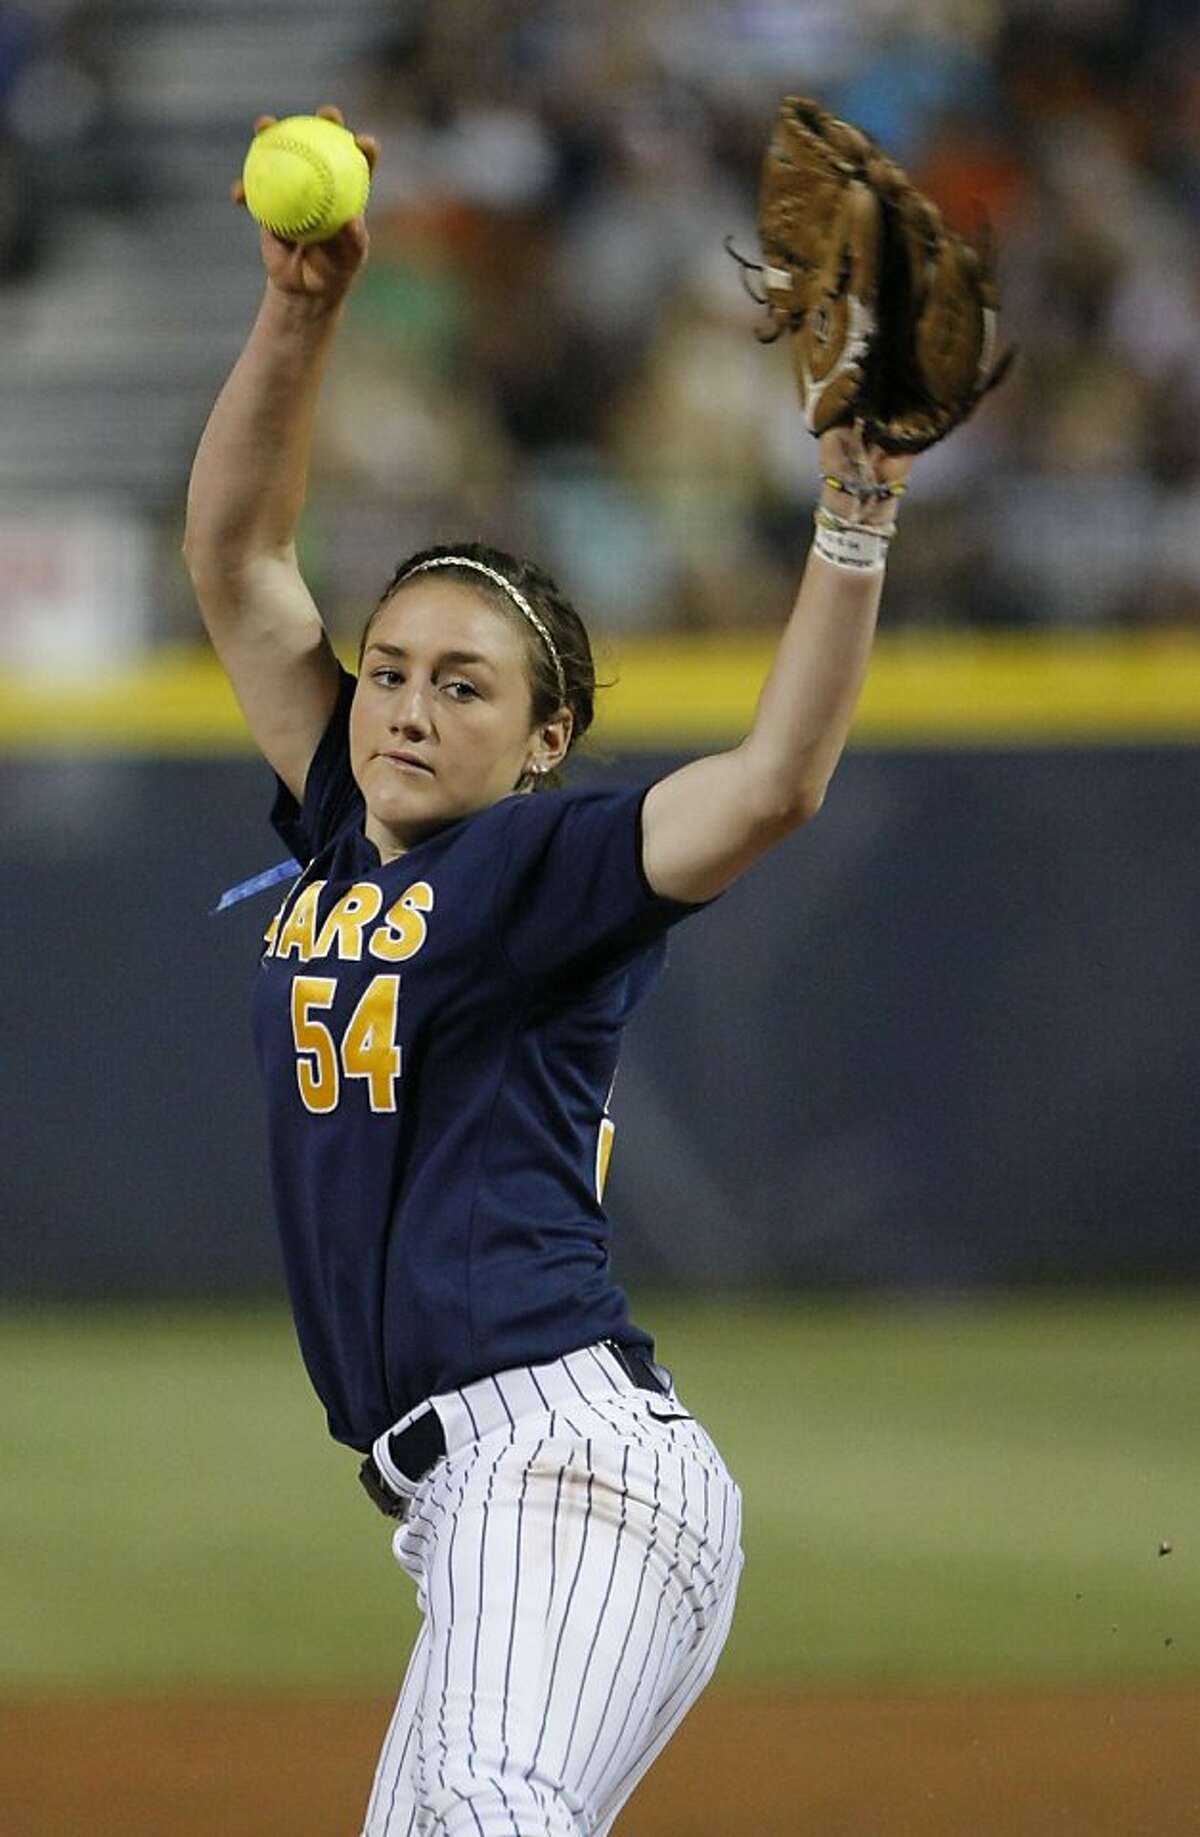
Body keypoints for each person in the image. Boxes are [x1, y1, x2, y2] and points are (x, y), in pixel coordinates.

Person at [184, 105, 911, 1837]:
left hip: (565, 1463)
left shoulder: (540, 860)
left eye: (465, 686)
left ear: (543, 743)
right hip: (474, 1504)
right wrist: (298, 313)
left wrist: (858, 509)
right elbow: (232, 559)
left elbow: (773, 783)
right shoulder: (347, 837)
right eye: (393, 671)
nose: (410, 705)